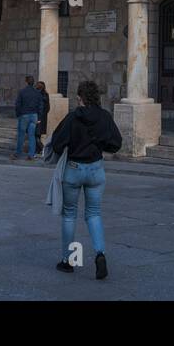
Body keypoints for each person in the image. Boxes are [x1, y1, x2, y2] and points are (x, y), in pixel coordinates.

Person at [49, 79, 123, 279]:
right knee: (94, 214)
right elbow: (116, 143)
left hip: (74, 169)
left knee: (70, 214)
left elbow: (57, 142)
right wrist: (99, 145)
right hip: (96, 169)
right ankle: (100, 254)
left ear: (80, 97)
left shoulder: (73, 118)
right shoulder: (105, 117)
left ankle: (69, 261)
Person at [13, 75, 42, 160]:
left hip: (24, 115)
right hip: (34, 115)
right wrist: (39, 118)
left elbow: (18, 105)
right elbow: (40, 106)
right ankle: (31, 155)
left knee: (21, 135)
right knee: (31, 135)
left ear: (26, 82)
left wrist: (18, 115)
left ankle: (18, 153)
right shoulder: (37, 93)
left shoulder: (22, 92)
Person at [35, 80, 50, 155]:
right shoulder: (46, 95)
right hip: (43, 118)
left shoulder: (37, 95)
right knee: (38, 135)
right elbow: (48, 108)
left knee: (35, 135)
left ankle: (42, 148)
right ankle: (38, 150)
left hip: (38, 117)